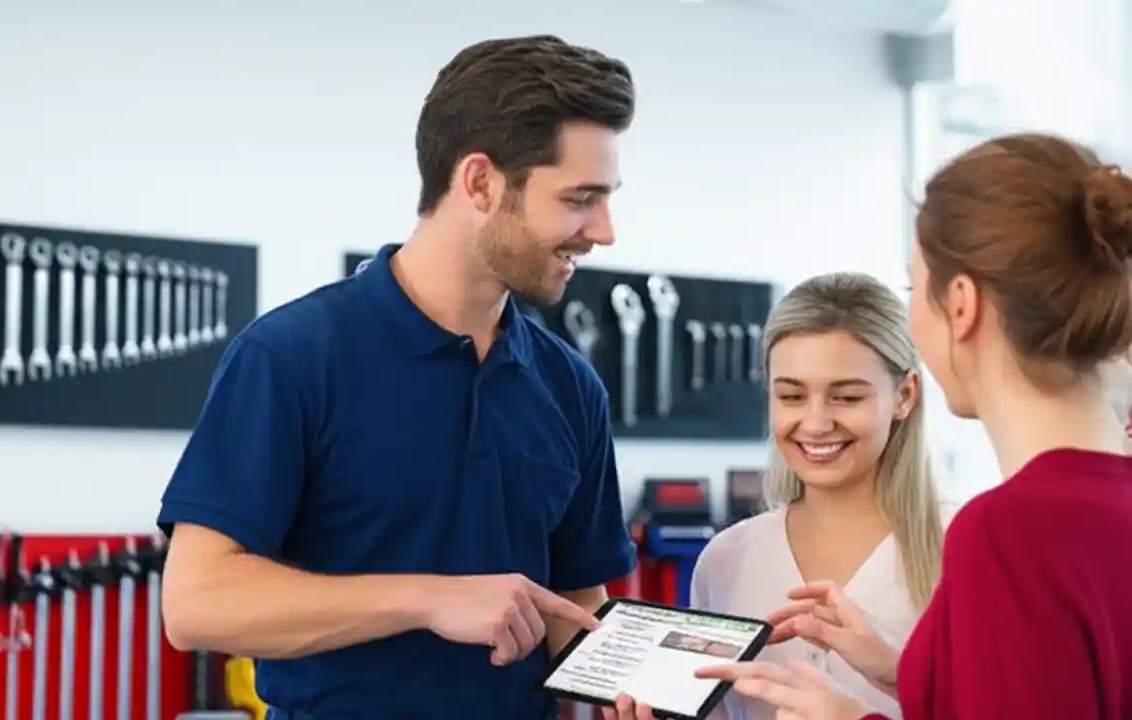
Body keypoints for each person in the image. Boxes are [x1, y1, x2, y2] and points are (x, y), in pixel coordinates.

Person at [154, 35, 638, 719]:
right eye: (580, 199)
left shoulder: (570, 387)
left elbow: (576, 603)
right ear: (480, 182)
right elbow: (197, 605)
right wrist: (431, 598)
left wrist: (655, 676)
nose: (606, 231)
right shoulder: (290, 357)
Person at [694, 133, 1132, 719]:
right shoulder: (1105, 499)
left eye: (911, 288)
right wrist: (905, 674)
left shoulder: (1004, 533)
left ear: (960, 304)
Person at [604, 272, 955, 720]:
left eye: (846, 397)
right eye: (791, 396)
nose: (815, 423)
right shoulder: (726, 560)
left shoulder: (961, 550)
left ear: (904, 396)